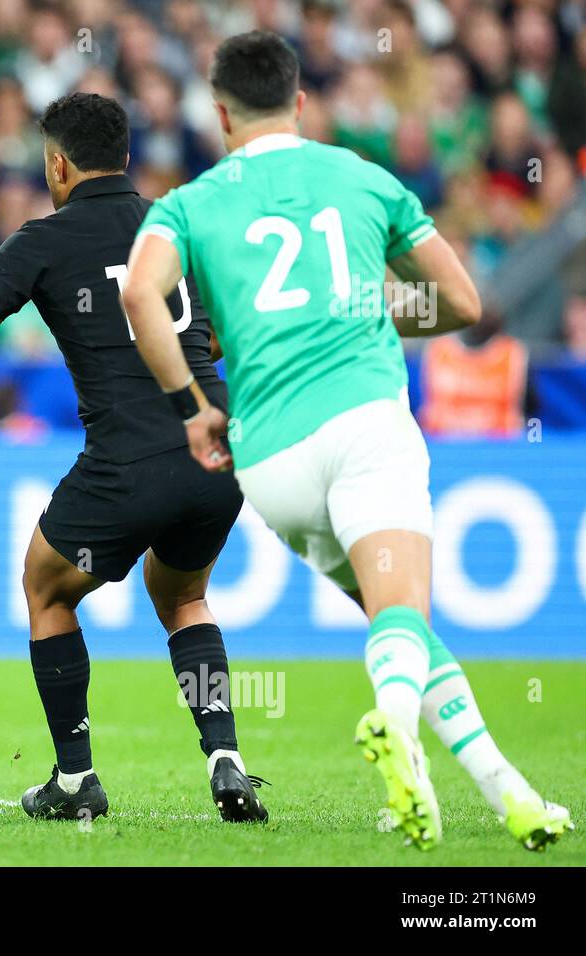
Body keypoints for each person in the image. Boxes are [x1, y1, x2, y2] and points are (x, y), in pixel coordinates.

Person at [121, 30, 571, 851]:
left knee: (404, 629)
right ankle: (394, 727)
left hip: (269, 462)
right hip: (363, 425)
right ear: (301, 103)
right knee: (402, 614)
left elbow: (141, 297)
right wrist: (377, 309)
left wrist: (190, 405)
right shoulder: (363, 178)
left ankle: (512, 795)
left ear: (221, 115)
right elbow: (465, 305)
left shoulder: (187, 202)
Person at [0, 92, 266, 823]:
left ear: (57, 164)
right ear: (124, 158)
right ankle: (226, 758)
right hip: (215, 454)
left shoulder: (44, 239)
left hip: (128, 459)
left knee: (46, 586)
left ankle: (74, 780)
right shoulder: (178, 225)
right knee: (184, 596)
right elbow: (225, 335)